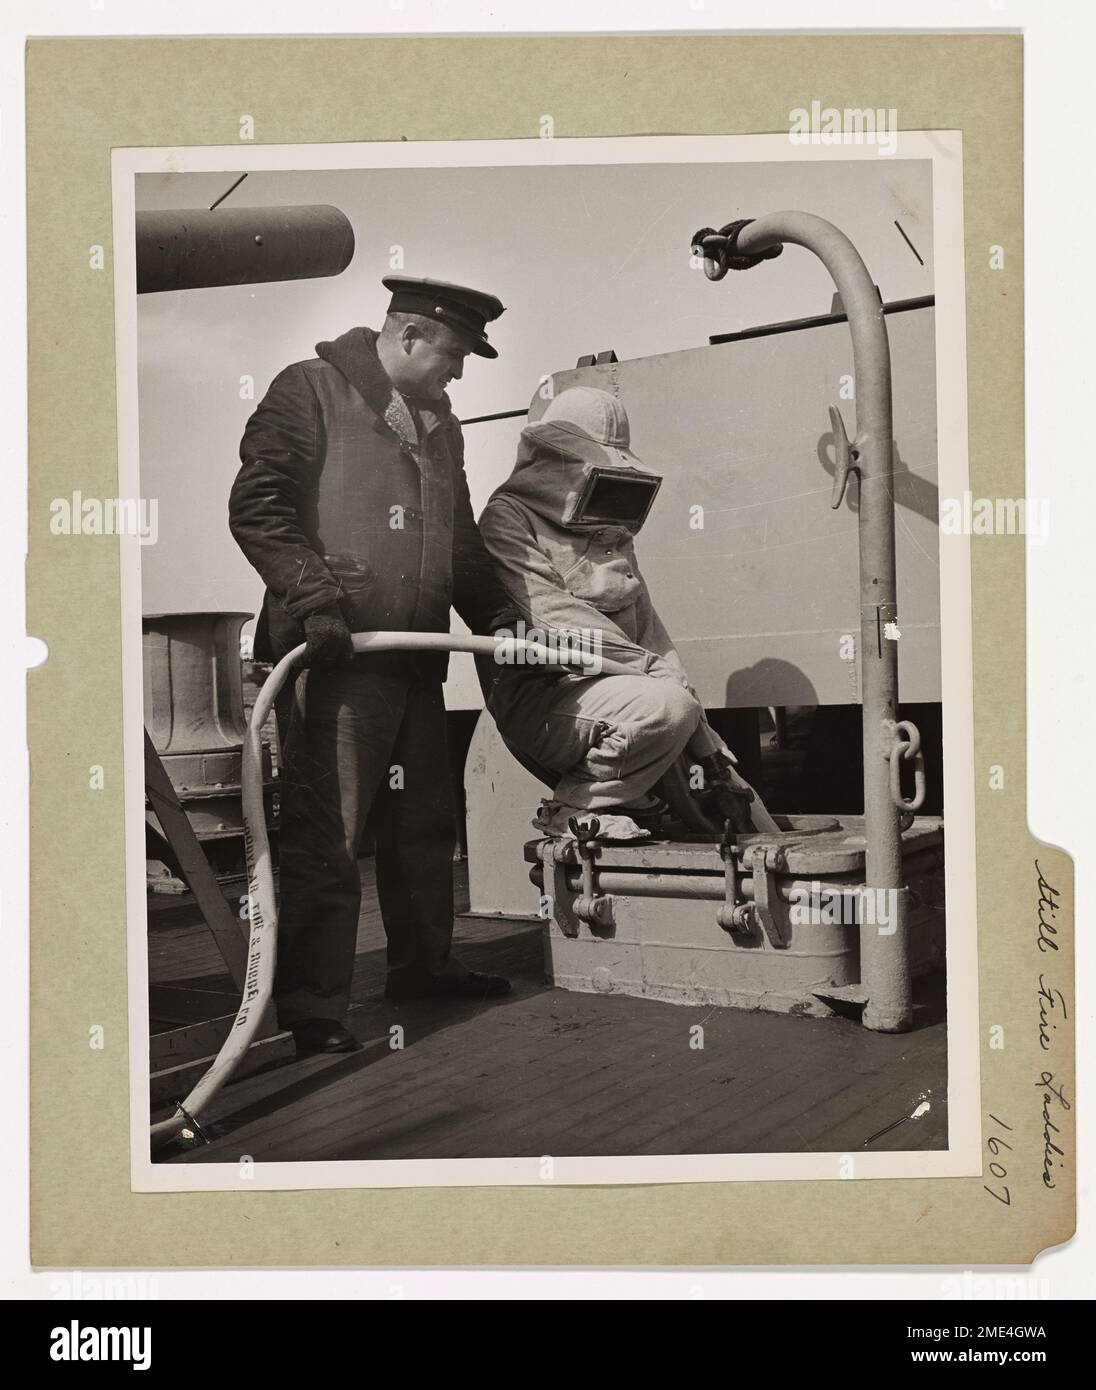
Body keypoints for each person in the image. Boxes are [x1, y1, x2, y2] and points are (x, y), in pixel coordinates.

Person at [229, 276, 517, 1056]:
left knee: (424, 828)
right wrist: (316, 603)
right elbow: (260, 506)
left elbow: (457, 543)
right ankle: (315, 1009)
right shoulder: (311, 389)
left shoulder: (440, 424)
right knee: (328, 838)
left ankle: (423, 966)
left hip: (417, 663)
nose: (458, 374)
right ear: (411, 337)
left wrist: (500, 617)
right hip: (337, 658)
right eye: (455, 355)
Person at [478, 387, 777, 841]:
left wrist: (711, 755)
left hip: (626, 700)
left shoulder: (609, 531)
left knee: (735, 812)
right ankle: (573, 808)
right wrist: (667, 691)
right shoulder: (507, 520)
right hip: (547, 705)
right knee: (667, 708)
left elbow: (652, 636)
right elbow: (558, 622)